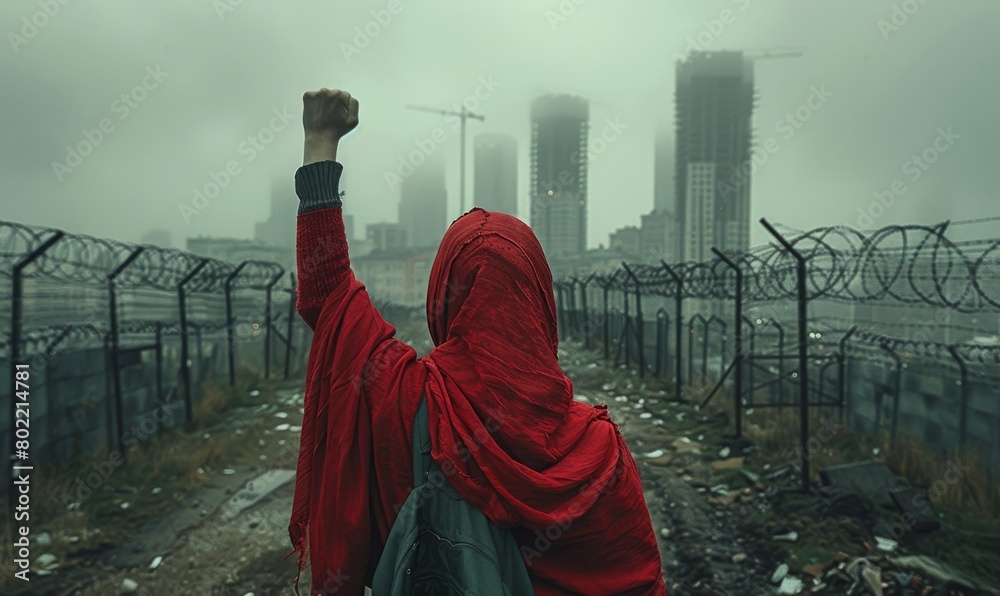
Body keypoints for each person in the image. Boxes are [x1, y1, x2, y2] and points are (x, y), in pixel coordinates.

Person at [288, 88, 667, 596]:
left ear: (443, 296)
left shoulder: (406, 402)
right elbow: (637, 580)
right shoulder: (600, 453)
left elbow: (327, 296)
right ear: (538, 298)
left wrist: (320, 143)